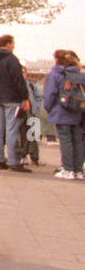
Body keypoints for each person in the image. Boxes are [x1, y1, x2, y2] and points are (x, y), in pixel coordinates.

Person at [0, 34, 31, 171]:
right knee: (12, 129)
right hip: (11, 98)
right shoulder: (12, 59)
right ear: (9, 43)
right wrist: (25, 97)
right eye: (13, 43)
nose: (14, 46)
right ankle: (13, 160)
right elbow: (18, 80)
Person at [43, 50, 83, 180]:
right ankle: (78, 170)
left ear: (56, 59)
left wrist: (49, 109)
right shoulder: (79, 74)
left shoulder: (55, 74)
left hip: (61, 111)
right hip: (78, 112)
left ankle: (68, 169)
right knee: (78, 141)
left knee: (65, 141)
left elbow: (50, 95)